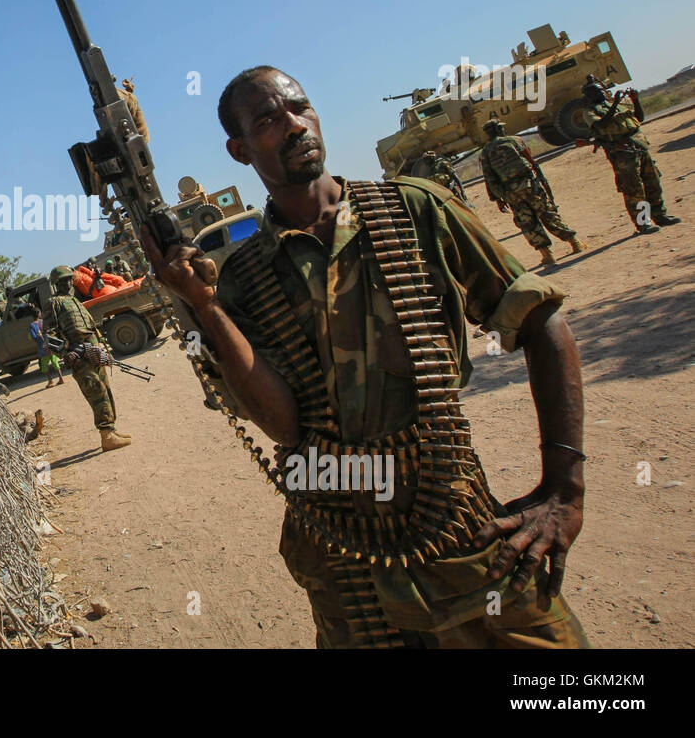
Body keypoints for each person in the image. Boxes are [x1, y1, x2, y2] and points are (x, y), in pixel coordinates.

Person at [141, 65, 589, 648]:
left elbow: (540, 319)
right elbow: (285, 426)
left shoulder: (415, 210)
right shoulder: (244, 280)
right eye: (269, 120)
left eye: (300, 108)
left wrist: (564, 487)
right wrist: (203, 305)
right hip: (338, 546)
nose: (294, 125)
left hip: (452, 518)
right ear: (239, 148)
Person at [478, 118, 586, 266]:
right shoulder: (514, 141)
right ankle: (575, 243)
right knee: (548, 213)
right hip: (530, 185)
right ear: (498, 130)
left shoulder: (485, 153)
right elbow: (531, 161)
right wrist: (541, 179)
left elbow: (489, 178)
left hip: (511, 193)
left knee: (528, 223)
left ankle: (547, 256)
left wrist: (498, 199)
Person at [580, 77, 681, 234]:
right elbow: (601, 125)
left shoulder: (619, 103)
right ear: (590, 95)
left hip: (639, 146)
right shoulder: (590, 112)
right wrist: (613, 105)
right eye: (598, 92)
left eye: (602, 90)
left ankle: (660, 216)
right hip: (621, 153)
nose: (603, 93)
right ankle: (643, 223)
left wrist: (635, 100)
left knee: (652, 182)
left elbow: (639, 118)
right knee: (633, 189)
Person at [48, 265, 131, 451]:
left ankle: (111, 429)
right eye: (64, 280)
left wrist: (99, 348)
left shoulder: (74, 300)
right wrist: (68, 353)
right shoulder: (54, 304)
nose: (68, 283)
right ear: (57, 283)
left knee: (106, 391)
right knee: (97, 394)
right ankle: (106, 437)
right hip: (80, 359)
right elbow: (50, 337)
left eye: (69, 279)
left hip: (93, 354)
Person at [29, 305, 65, 388]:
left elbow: (34, 337)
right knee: (55, 362)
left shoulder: (32, 325)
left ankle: (50, 381)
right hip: (50, 345)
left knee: (44, 365)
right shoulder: (43, 322)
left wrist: (38, 343)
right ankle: (61, 378)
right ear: (39, 314)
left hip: (42, 348)